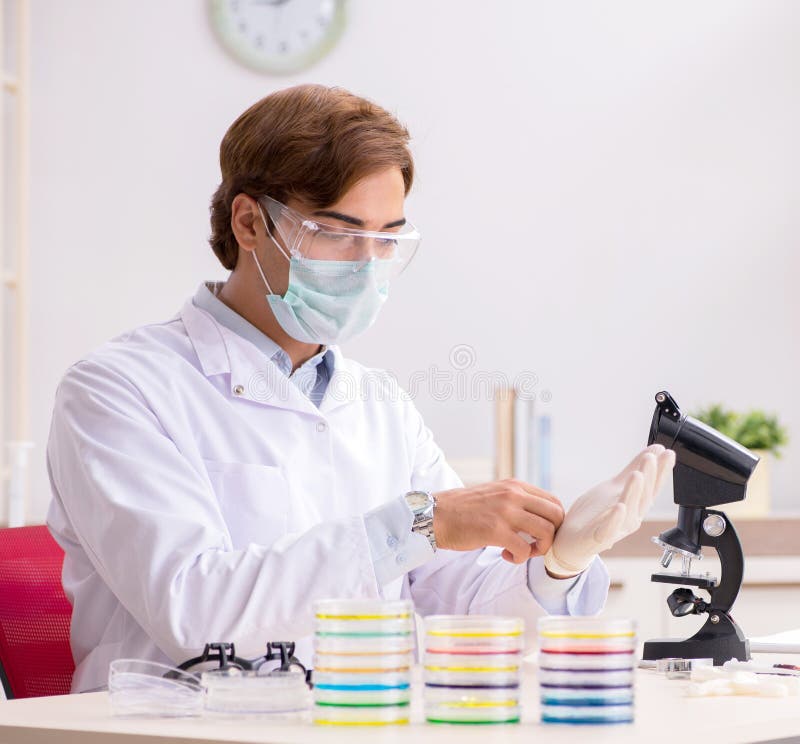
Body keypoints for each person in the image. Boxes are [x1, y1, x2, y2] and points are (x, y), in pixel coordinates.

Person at [46, 84, 675, 693]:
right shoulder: (118, 389)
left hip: (359, 720)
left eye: (387, 237)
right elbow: (195, 611)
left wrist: (559, 562)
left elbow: (460, 610)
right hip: (174, 729)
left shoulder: (380, 403)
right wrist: (420, 525)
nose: (368, 262)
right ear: (248, 222)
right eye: (340, 232)